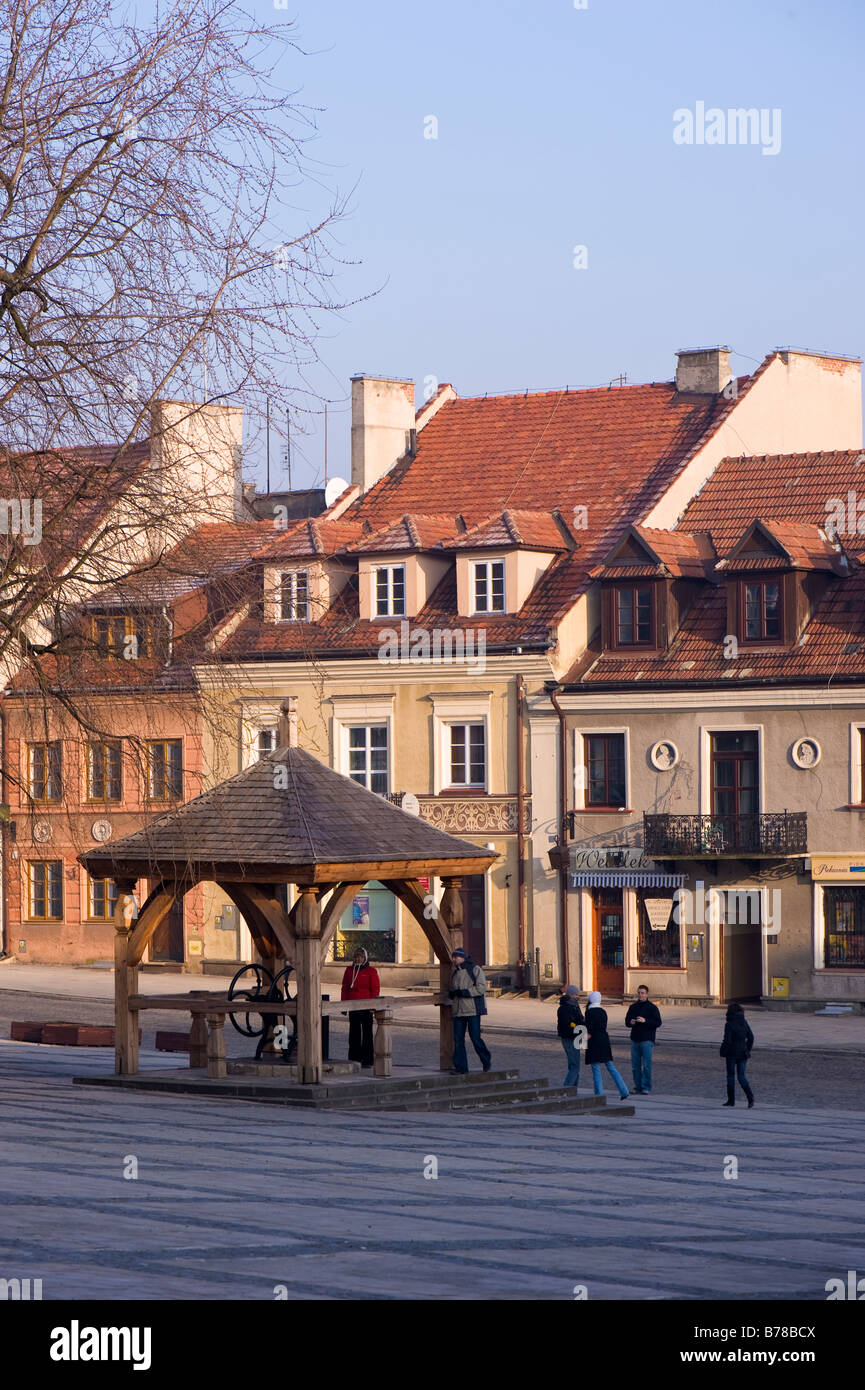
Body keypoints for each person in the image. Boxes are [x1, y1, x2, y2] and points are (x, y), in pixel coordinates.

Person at [448, 947, 491, 1074]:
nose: (453, 959)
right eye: (453, 957)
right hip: (458, 1011)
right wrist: (452, 994)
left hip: (473, 1010)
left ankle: (486, 1060)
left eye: (456, 957)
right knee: (458, 1041)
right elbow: (453, 989)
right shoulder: (454, 972)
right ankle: (461, 1068)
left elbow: (481, 988)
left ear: (463, 958)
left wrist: (465, 992)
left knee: (475, 1038)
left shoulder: (475, 969)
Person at [585, 990, 629, 1100]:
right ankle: (624, 1090)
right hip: (604, 1039)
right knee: (610, 1066)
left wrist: (586, 1035)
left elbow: (590, 1028)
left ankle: (599, 1094)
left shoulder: (589, 1012)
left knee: (596, 1067)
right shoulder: (603, 1011)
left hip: (594, 1041)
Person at [340, 946, 380, 1068]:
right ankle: (354, 1059)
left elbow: (375, 989)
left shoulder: (371, 971)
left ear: (365, 958)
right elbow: (345, 988)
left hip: (366, 1007)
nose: (358, 959)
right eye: (356, 957)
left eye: (360, 957)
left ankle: (367, 1060)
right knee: (354, 1034)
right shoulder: (349, 970)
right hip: (353, 1006)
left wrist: (373, 1005)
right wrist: (343, 1005)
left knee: (367, 1034)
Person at [625, 984, 662, 1094]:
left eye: (643, 993)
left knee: (646, 1065)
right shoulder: (633, 1007)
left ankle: (646, 1087)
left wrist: (645, 1021)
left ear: (647, 994)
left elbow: (658, 1022)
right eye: (639, 993)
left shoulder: (652, 1008)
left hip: (647, 1040)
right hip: (635, 1039)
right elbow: (627, 1021)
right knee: (635, 1066)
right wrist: (631, 1022)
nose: (640, 995)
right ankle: (637, 1087)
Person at [720, 1001, 755, 1107]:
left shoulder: (729, 1024)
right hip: (743, 1052)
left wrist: (723, 1051)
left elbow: (727, 1040)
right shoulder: (744, 1022)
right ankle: (750, 1097)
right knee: (741, 1076)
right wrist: (747, 1049)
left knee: (730, 1076)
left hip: (731, 1053)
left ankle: (731, 1100)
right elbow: (751, 1037)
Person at [557, 985, 585, 1088]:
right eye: (576, 995)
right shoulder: (565, 1007)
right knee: (574, 1066)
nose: (577, 996)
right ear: (571, 995)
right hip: (569, 1038)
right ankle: (567, 1088)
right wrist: (577, 1026)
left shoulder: (575, 1005)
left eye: (578, 994)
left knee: (574, 1065)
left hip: (576, 1037)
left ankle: (573, 1088)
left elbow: (580, 1020)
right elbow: (568, 1024)